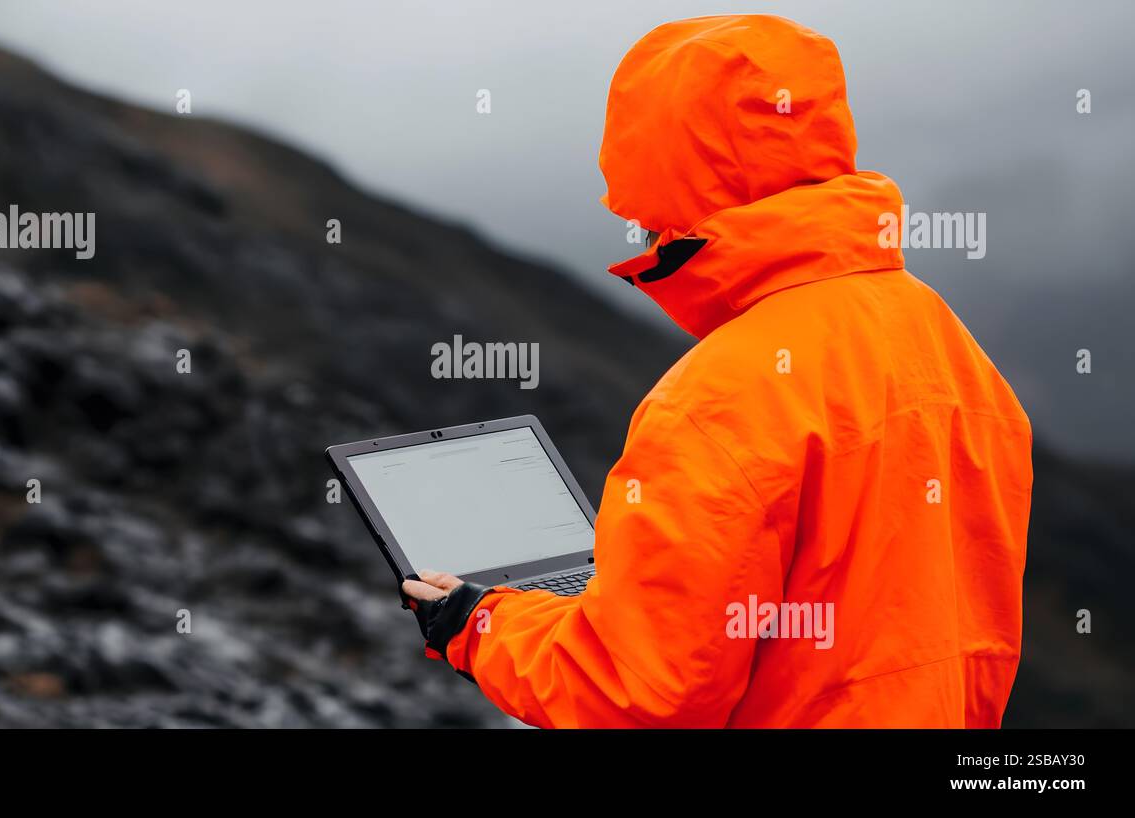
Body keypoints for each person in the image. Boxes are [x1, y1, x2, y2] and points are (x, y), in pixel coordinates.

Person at [402, 14, 1033, 728]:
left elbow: (635, 695)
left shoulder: (717, 399)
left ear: (654, 174)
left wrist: (478, 625)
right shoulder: (943, 339)